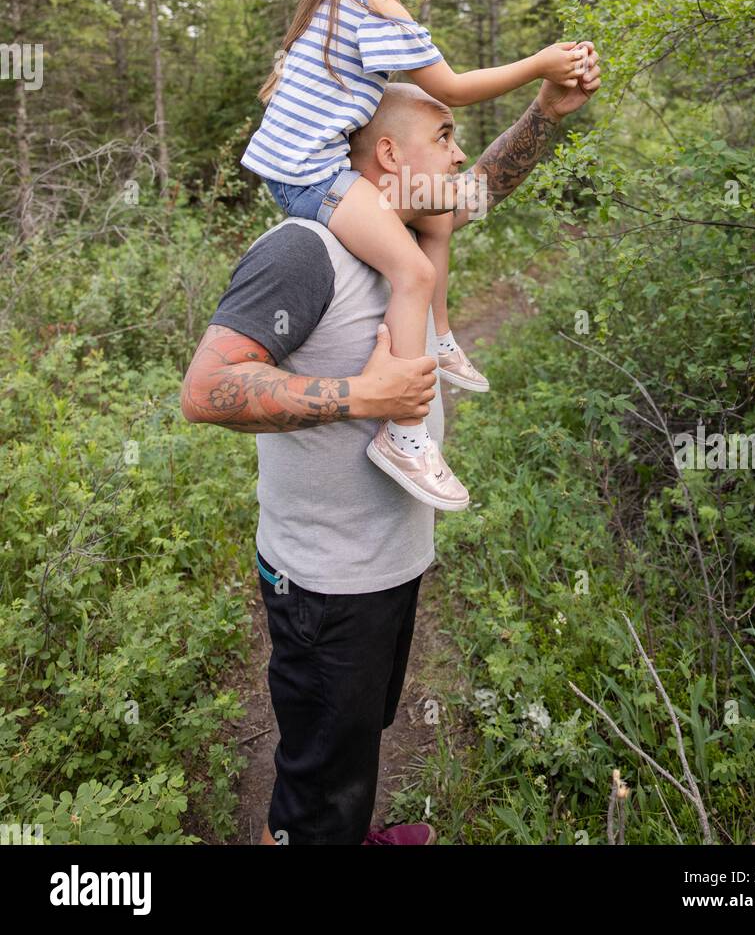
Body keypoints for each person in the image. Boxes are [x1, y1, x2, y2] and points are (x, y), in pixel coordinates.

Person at [180, 56, 601, 847]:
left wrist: (547, 109)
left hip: (389, 561)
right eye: (443, 136)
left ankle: (345, 830)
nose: (456, 155)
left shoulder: (411, 225)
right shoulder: (302, 250)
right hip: (325, 582)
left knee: (360, 732)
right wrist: (362, 397)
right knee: (320, 771)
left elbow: (483, 185)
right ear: (386, 159)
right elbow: (206, 390)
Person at [239, 0, 588, 509]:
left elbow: (467, 194)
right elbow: (453, 87)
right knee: (413, 272)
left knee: (435, 209)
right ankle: (402, 434)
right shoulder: (373, 7)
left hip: (301, 170)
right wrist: (541, 63)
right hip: (312, 179)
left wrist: (547, 112)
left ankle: (442, 336)